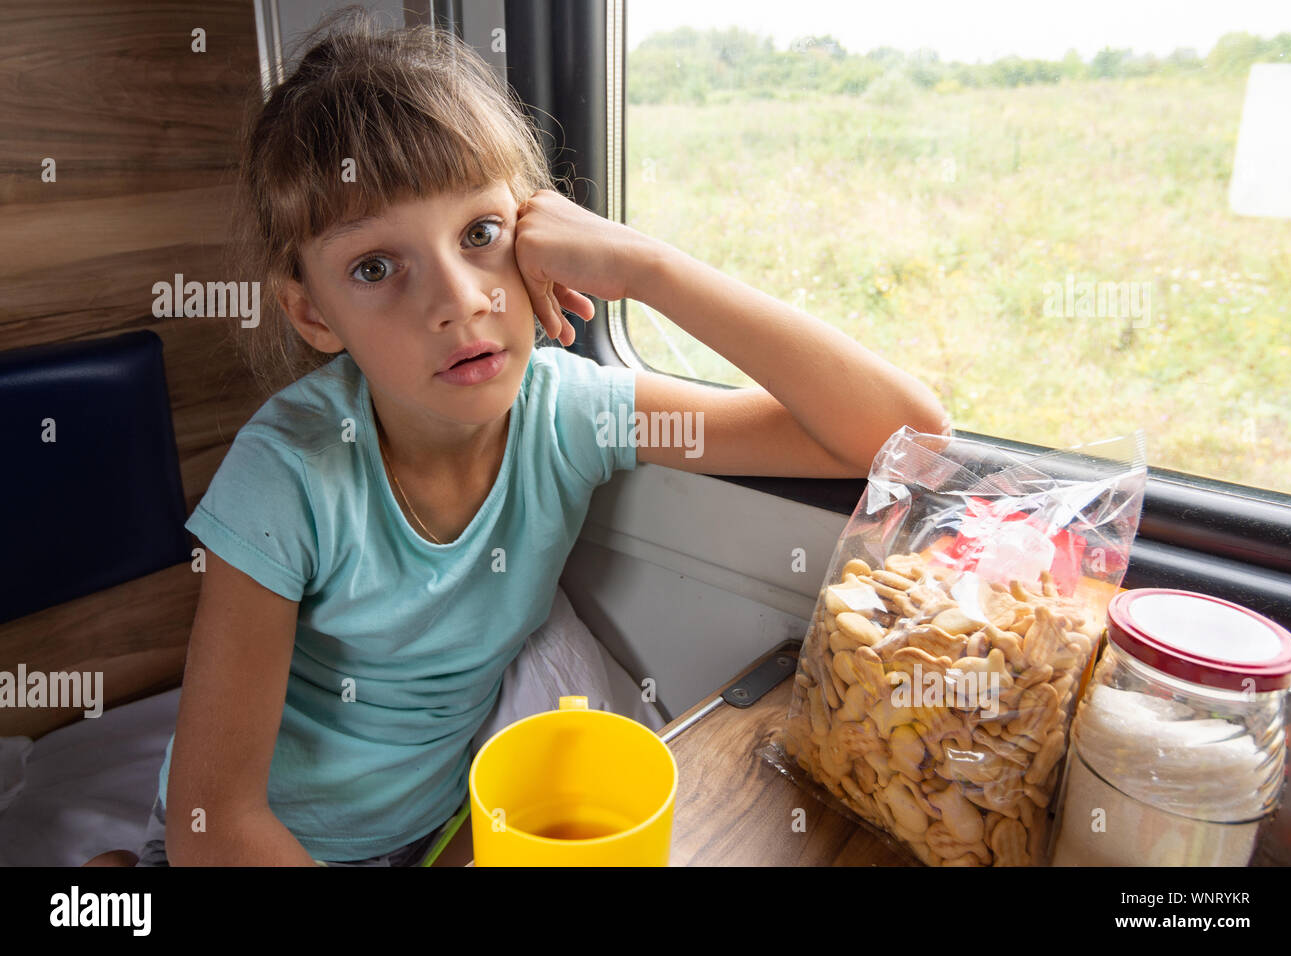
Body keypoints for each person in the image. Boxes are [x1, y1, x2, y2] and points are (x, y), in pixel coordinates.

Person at [91, 8, 948, 867]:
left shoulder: (570, 411)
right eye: (376, 268)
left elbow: (903, 434)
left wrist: (652, 269)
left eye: (480, 234)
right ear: (313, 312)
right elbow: (218, 821)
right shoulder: (286, 473)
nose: (460, 299)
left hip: (442, 833)